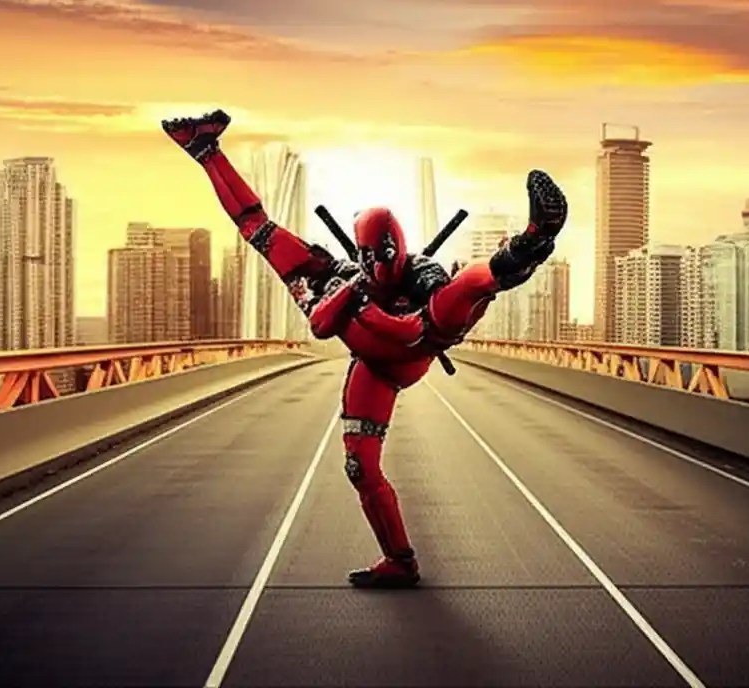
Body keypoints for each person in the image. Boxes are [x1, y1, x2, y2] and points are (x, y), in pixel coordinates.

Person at [162, 109, 568, 588]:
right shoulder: (335, 278)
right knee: (359, 465)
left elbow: (414, 327)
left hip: (419, 343)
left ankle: (528, 245)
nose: (378, 264)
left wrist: (369, 307)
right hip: (374, 366)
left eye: (385, 255)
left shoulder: (422, 278)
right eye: (370, 257)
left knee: (462, 292)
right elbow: (257, 227)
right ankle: (399, 559)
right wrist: (209, 157)